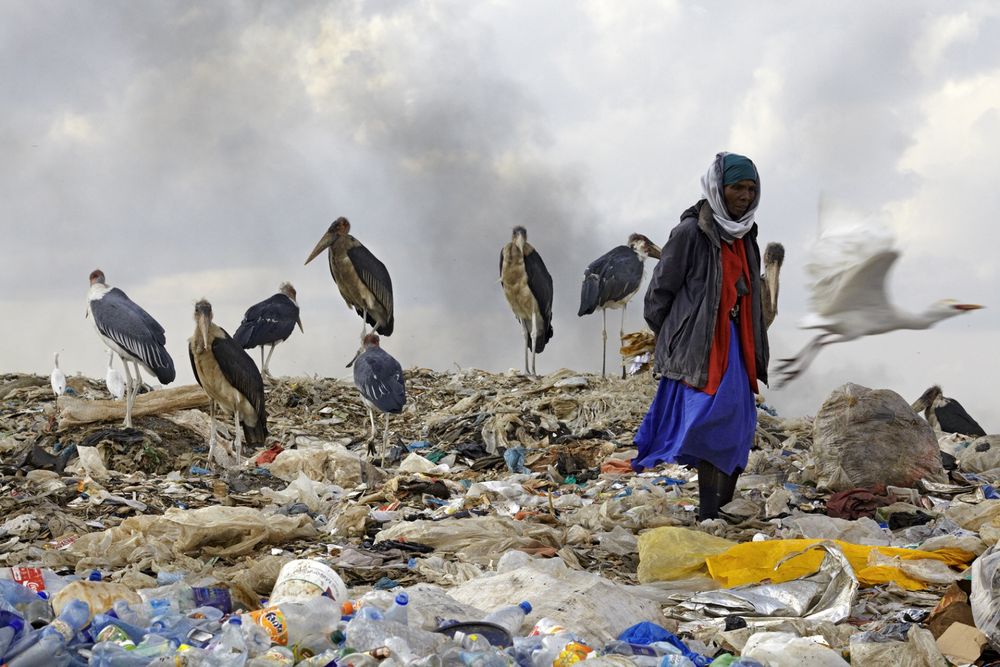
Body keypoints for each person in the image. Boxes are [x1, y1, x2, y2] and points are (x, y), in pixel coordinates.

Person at [632, 152, 770, 521]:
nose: (745, 196)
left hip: (736, 344)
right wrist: (677, 338)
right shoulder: (690, 233)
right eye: (737, 188)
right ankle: (709, 512)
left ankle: (720, 510)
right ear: (717, 188)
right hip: (702, 350)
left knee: (738, 426)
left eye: (751, 189)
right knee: (711, 424)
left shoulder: (746, 236)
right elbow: (657, 297)